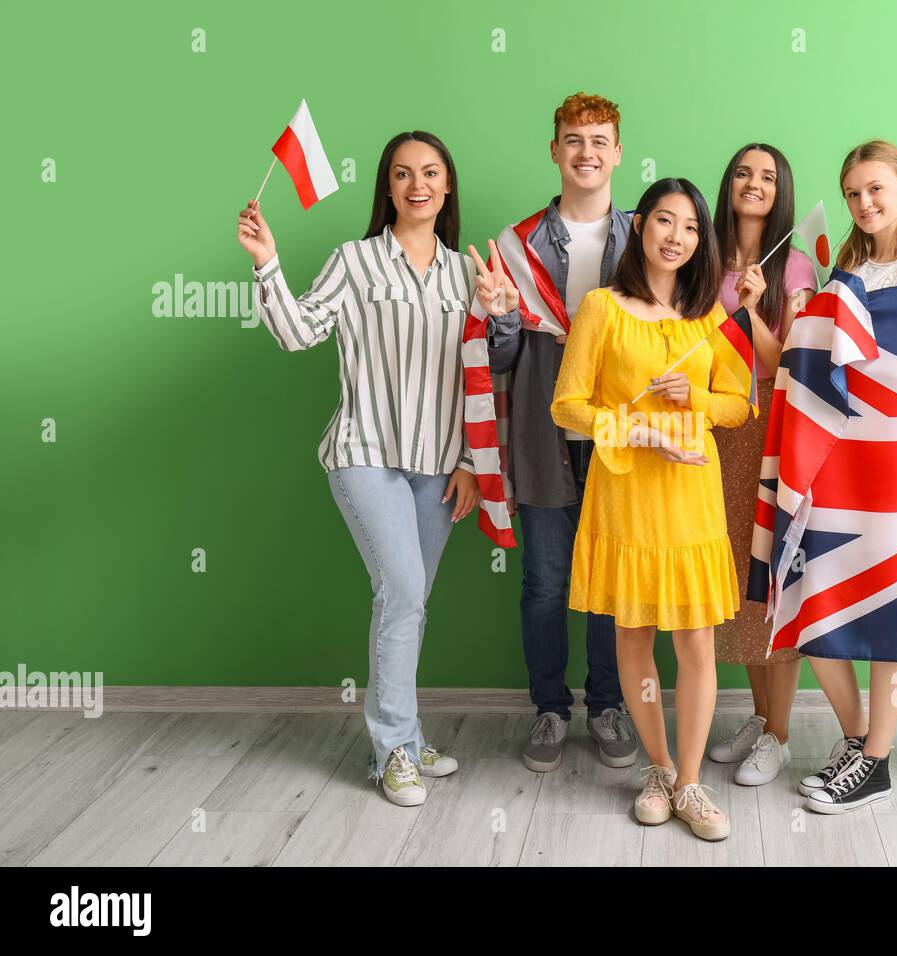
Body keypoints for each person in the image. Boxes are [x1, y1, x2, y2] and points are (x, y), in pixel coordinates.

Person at [236, 131, 480, 807]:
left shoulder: (468, 274)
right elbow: (295, 331)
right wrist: (267, 263)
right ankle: (393, 750)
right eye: (402, 174)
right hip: (364, 452)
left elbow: (478, 378)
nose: (417, 184)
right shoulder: (354, 260)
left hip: (439, 467)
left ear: (447, 185)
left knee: (410, 602)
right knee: (401, 590)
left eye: (430, 172)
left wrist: (468, 462)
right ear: (388, 188)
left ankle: (406, 731)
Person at [550, 178, 750, 840]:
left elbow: (738, 403)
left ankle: (691, 783)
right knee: (632, 639)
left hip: (691, 499)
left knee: (695, 643)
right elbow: (567, 405)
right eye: (665, 221)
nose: (677, 237)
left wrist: (693, 397)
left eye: (691, 228)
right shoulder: (603, 308)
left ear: (702, 241)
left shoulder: (708, 316)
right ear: (640, 227)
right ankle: (659, 769)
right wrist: (636, 430)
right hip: (626, 496)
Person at [480, 93, 637, 773]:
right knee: (545, 580)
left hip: (620, 433)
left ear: (618, 153)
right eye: (574, 140)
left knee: (610, 578)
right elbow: (500, 361)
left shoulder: (645, 237)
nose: (587, 153)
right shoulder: (514, 247)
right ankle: (549, 707)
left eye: (600, 140)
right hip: (545, 429)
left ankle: (608, 704)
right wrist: (503, 319)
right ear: (554, 151)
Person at [794, 141, 897, 814]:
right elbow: (813, 356)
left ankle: (877, 762)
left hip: (893, 459)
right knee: (814, 597)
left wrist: (821, 320)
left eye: (877, 189)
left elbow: (893, 359)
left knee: (891, 604)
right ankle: (858, 740)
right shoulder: (846, 266)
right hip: (835, 451)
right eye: (853, 193)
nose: (864, 204)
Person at [706, 144, 817, 786]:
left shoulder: (795, 266)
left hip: (769, 434)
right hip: (717, 437)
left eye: (768, 176)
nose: (754, 183)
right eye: (743, 172)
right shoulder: (701, 256)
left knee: (772, 579)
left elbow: (785, 363)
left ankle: (779, 732)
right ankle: (757, 714)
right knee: (738, 584)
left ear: (782, 192)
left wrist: (750, 309)